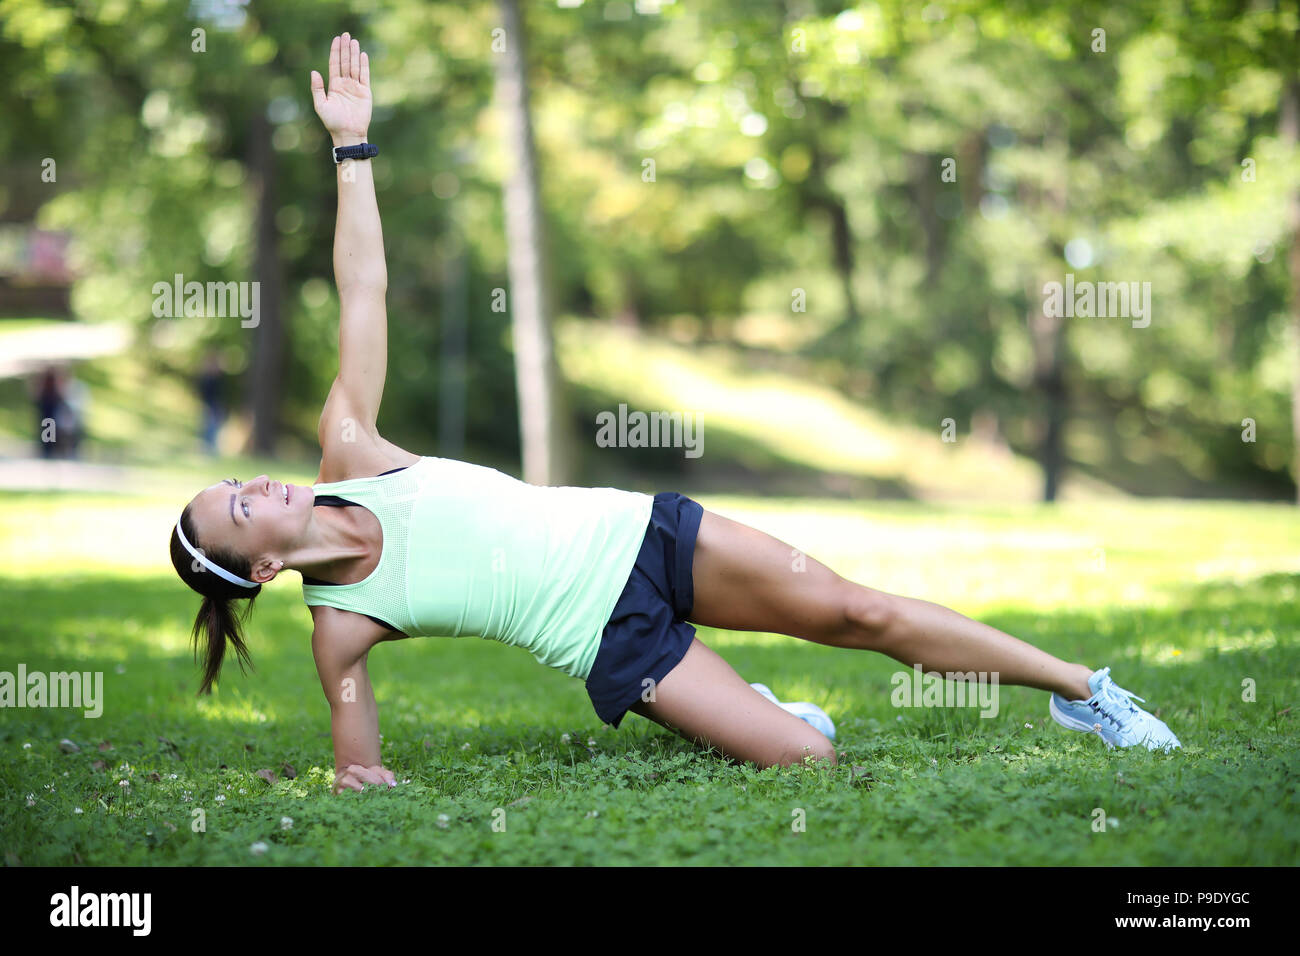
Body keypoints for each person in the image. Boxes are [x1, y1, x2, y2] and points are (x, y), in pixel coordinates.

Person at [168, 35, 1181, 797]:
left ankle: (1083, 689)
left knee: (854, 611)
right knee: (809, 758)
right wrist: (360, 785)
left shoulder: (351, 446)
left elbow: (364, 290)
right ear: (262, 567)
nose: (252, 484)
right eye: (239, 508)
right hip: (613, 637)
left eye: (234, 480)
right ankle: (756, 714)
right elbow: (361, 766)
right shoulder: (339, 629)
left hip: (642, 529)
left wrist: (353, 150)